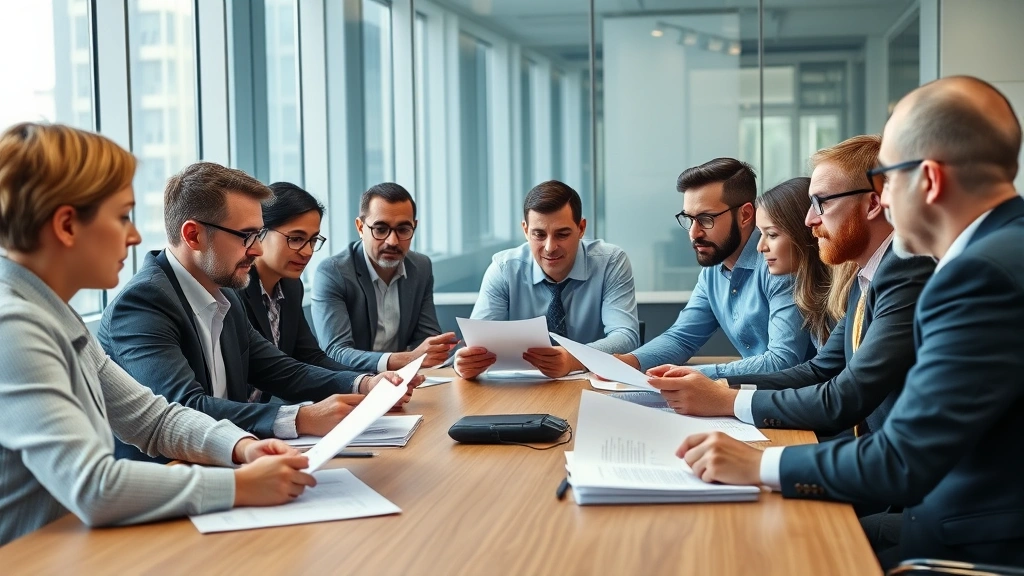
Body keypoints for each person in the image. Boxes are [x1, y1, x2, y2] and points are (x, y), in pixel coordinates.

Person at [673, 76, 1024, 567]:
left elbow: (901, 458)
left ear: (929, 179)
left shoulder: (977, 275)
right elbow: (829, 374)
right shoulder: (997, 251)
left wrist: (758, 462)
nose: (882, 198)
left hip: (973, 539)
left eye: (888, 179)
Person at [0, 123, 314, 546]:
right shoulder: (13, 325)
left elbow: (152, 417)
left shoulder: (53, 313)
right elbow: (94, 486)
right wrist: (240, 487)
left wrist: (240, 447)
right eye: (123, 216)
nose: (133, 236)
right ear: (67, 225)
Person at [99, 162, 421, 461]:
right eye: (246, 236)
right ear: (193, 235)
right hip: (170, 483)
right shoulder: (142, 303)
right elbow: (185, 409)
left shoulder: (225, 293)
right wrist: (301, 417)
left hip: (228, 466)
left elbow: (282, 370)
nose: (256, 248)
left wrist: (362, 384)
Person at [649, 135, 935, 444]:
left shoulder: (906, 270)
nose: (810, 220)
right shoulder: (867, 275)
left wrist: (725, 399)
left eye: (820, 203)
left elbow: (844, 397)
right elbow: (819, 370)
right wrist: (717, 385)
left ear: (873, 204)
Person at [616, 158, 813, 379]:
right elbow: (682, 337)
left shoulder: (779, 261)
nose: (693, 233)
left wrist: (695, 374)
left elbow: (782, 362)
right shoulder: (712, 272)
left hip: (798, 400)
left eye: (706, 219)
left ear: (746, 215)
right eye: (689, 219)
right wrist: (627, 363)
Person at [455, 180, 640, 379]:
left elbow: (626, 337)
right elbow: (477, 343)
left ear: (581, 228)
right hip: (521, 389)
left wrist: (572, 359)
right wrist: (464, 363)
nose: (550, 247)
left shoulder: (610, 262)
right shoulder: (504, 269)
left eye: (562, 234)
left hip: (591, 386)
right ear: (525, 230)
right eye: (539, 234)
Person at [313, 182, 456, 372]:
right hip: (350, 386)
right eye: (380, 229)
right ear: (360, 227)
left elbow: (426, 340)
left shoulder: (421, 267)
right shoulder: (334, 272)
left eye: (403, 229)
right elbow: (336, 352)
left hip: (404, 382)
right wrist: (409, 358)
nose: (392, 241)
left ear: (414, 227)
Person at [238, 182, 358, 402]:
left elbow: (310, 357)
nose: (308, 252)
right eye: (296, 239)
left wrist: (366, 381)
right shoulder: (235, 289)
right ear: (260, 231)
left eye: (313, 240)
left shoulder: (291, 287)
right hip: (232, 422)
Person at [754, 177, 856, 348]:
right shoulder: (812, 293)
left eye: (772, 235)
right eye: (760, 234)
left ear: (804, 233)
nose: (760, 247)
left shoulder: (845, 297)